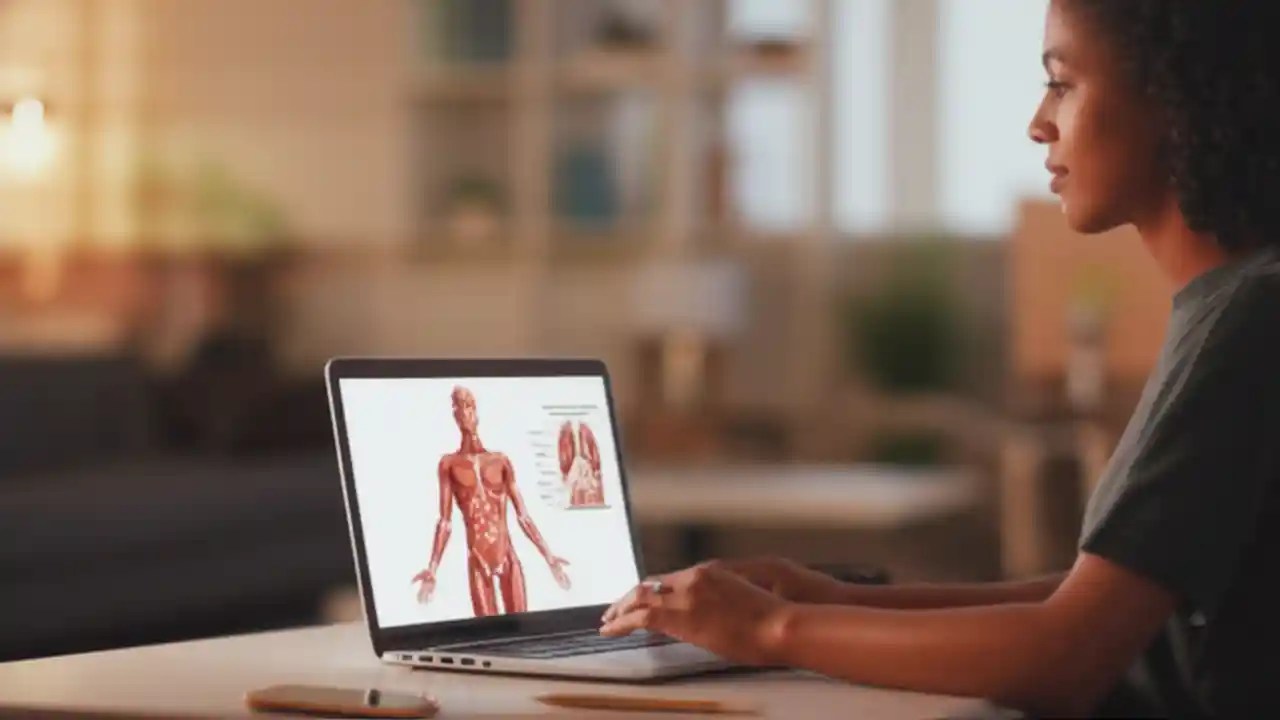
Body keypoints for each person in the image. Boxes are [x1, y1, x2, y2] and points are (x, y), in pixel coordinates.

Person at [601, 2, 1280, 716]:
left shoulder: (1246, 321)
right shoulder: (1235, 303)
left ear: (1175, 96)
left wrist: (770, 628)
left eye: (1063, 83)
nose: (1038, 122)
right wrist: (837, 601)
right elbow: (1102, 597)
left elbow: (1069, 653)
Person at [413, 386, 572, 617]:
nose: (464, 413)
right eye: (458, 407)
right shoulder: (449, 464)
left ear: (476, 412)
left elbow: (523, 516)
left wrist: (549, 557)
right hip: (478, 559)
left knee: (522, 631)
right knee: (489, 637)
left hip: (506, 555)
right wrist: (433, 568)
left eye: (468, 406)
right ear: (454, 416)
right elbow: (445, 521)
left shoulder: (500, 461)